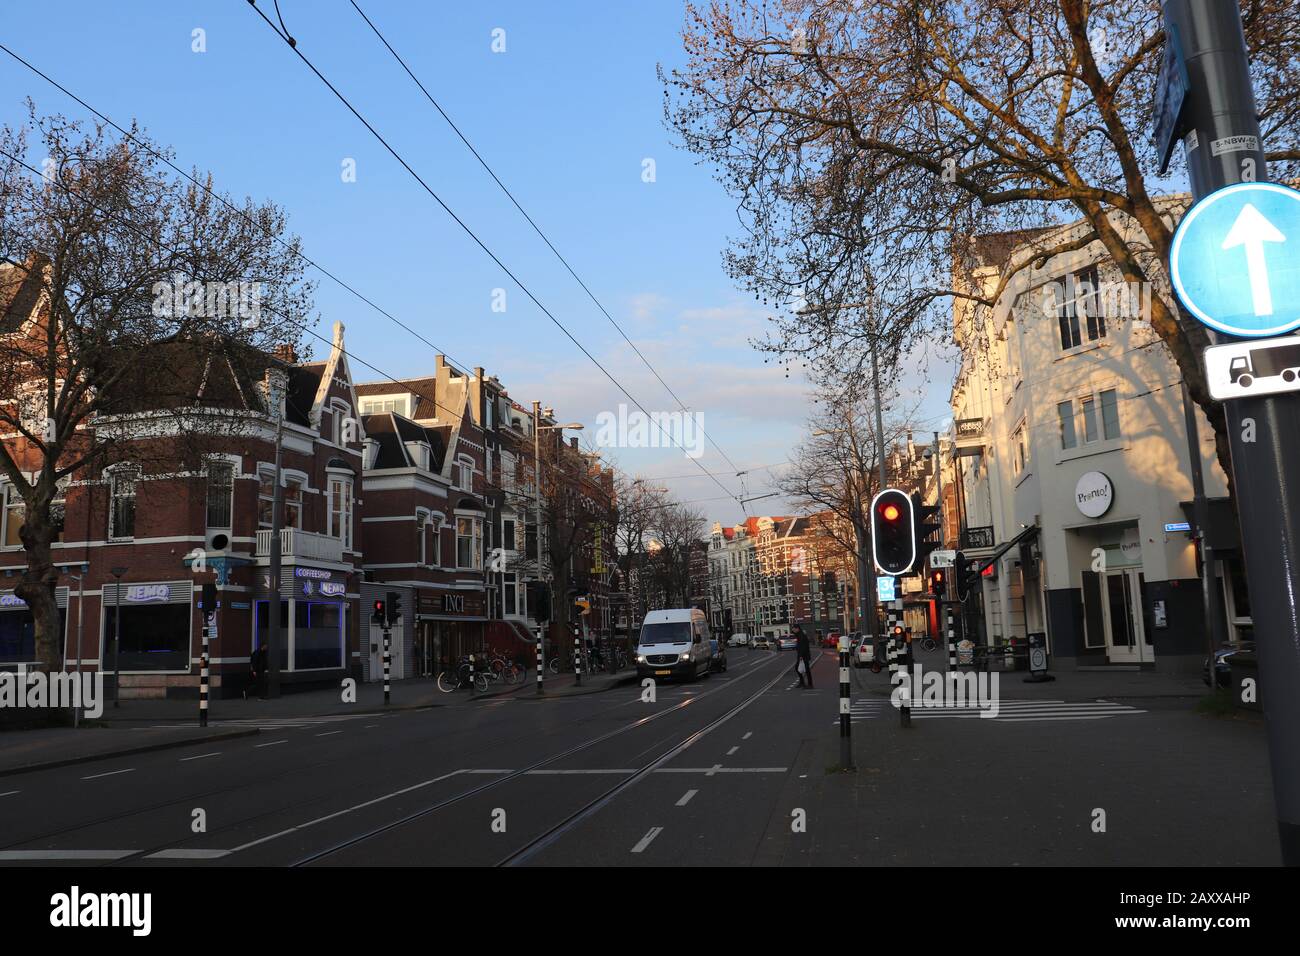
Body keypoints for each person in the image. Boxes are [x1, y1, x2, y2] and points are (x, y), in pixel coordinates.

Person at [793, 622, 813, 688]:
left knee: (806, 669)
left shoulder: (801, 635)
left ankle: (809, 684)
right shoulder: (799, 634)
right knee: (798, 668)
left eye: (794, 629)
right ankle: (802, 682)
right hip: (802, 654)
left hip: (804, 655)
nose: (793, 630)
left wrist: (801, 655)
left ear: (797, 629)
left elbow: (803, 646)